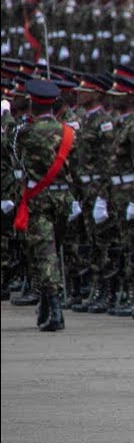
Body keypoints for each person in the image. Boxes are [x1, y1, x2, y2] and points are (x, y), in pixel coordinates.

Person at [10, 78, 77, 331]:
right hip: (63, 198)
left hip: (39, 197)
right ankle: (48, 306)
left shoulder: (24, 132)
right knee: (54, 249)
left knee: (44, 253)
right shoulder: (68, 132)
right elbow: (75, 164)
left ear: (32, 104)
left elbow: (16, 157)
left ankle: (54, 308)